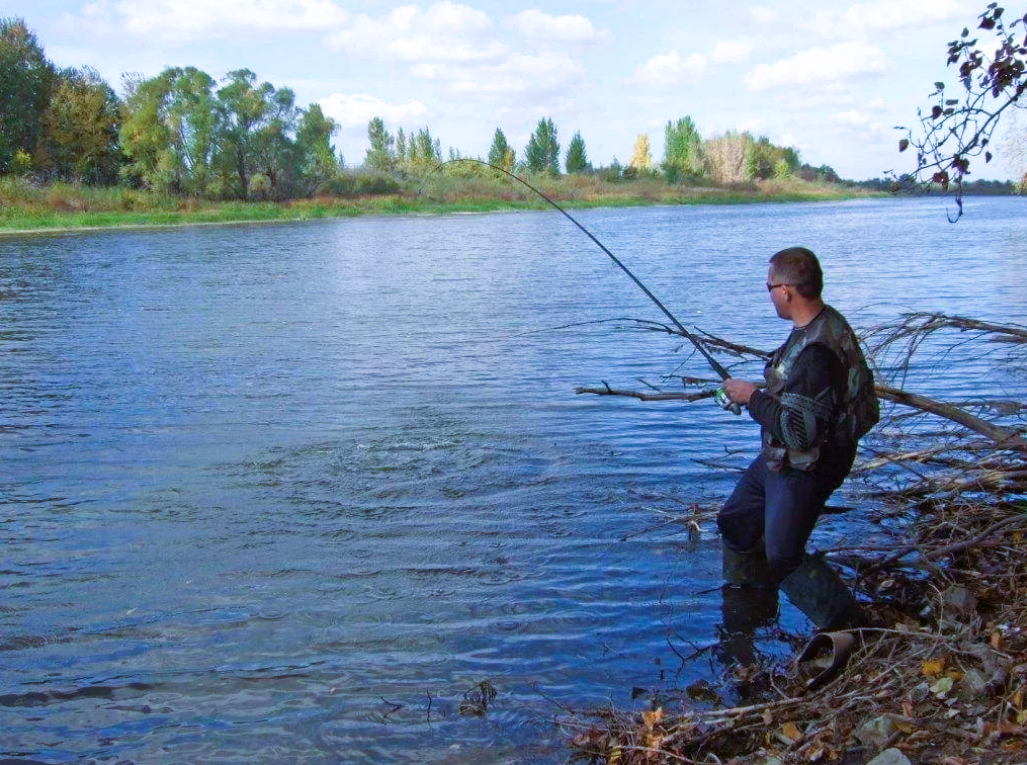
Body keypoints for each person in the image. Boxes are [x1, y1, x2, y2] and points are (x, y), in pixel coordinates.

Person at [716, 246, 878, 630]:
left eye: (769, 285)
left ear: (787, 290)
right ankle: (751, 608)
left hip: (808, 463)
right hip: (783, 456)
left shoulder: (816, 352)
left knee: (784, 555)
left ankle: (848, 628)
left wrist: (750, 397)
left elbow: (800, 433)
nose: (768, 292)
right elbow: (802, 399)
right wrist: (757, 393)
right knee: (736, 521)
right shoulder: (818, 325)